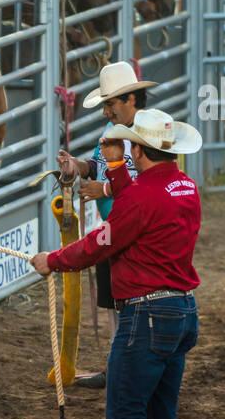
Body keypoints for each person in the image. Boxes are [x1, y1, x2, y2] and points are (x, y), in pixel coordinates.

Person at [31, 108, 203, 419]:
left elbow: (102, 240)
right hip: (179, 309)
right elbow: (138, 199)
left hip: (146, 314)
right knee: (158, 417)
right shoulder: (183, 186)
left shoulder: (141, 197)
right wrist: (112, 168)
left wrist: (52, 260)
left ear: (138, 150)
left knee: (125, 415)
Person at [56, 61, 156, 389]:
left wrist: (106, 189)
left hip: (136, 232)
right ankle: (121, 369)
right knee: (118, 301)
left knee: (134, 300)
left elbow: (153, 181)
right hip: (117, 227)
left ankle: (129, 372)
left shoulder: (151, 133)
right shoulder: (115, 135)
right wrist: (76, 166)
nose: (106, 112)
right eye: (105, 105)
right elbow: (96, 166)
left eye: (110, 104)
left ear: (130, 99)